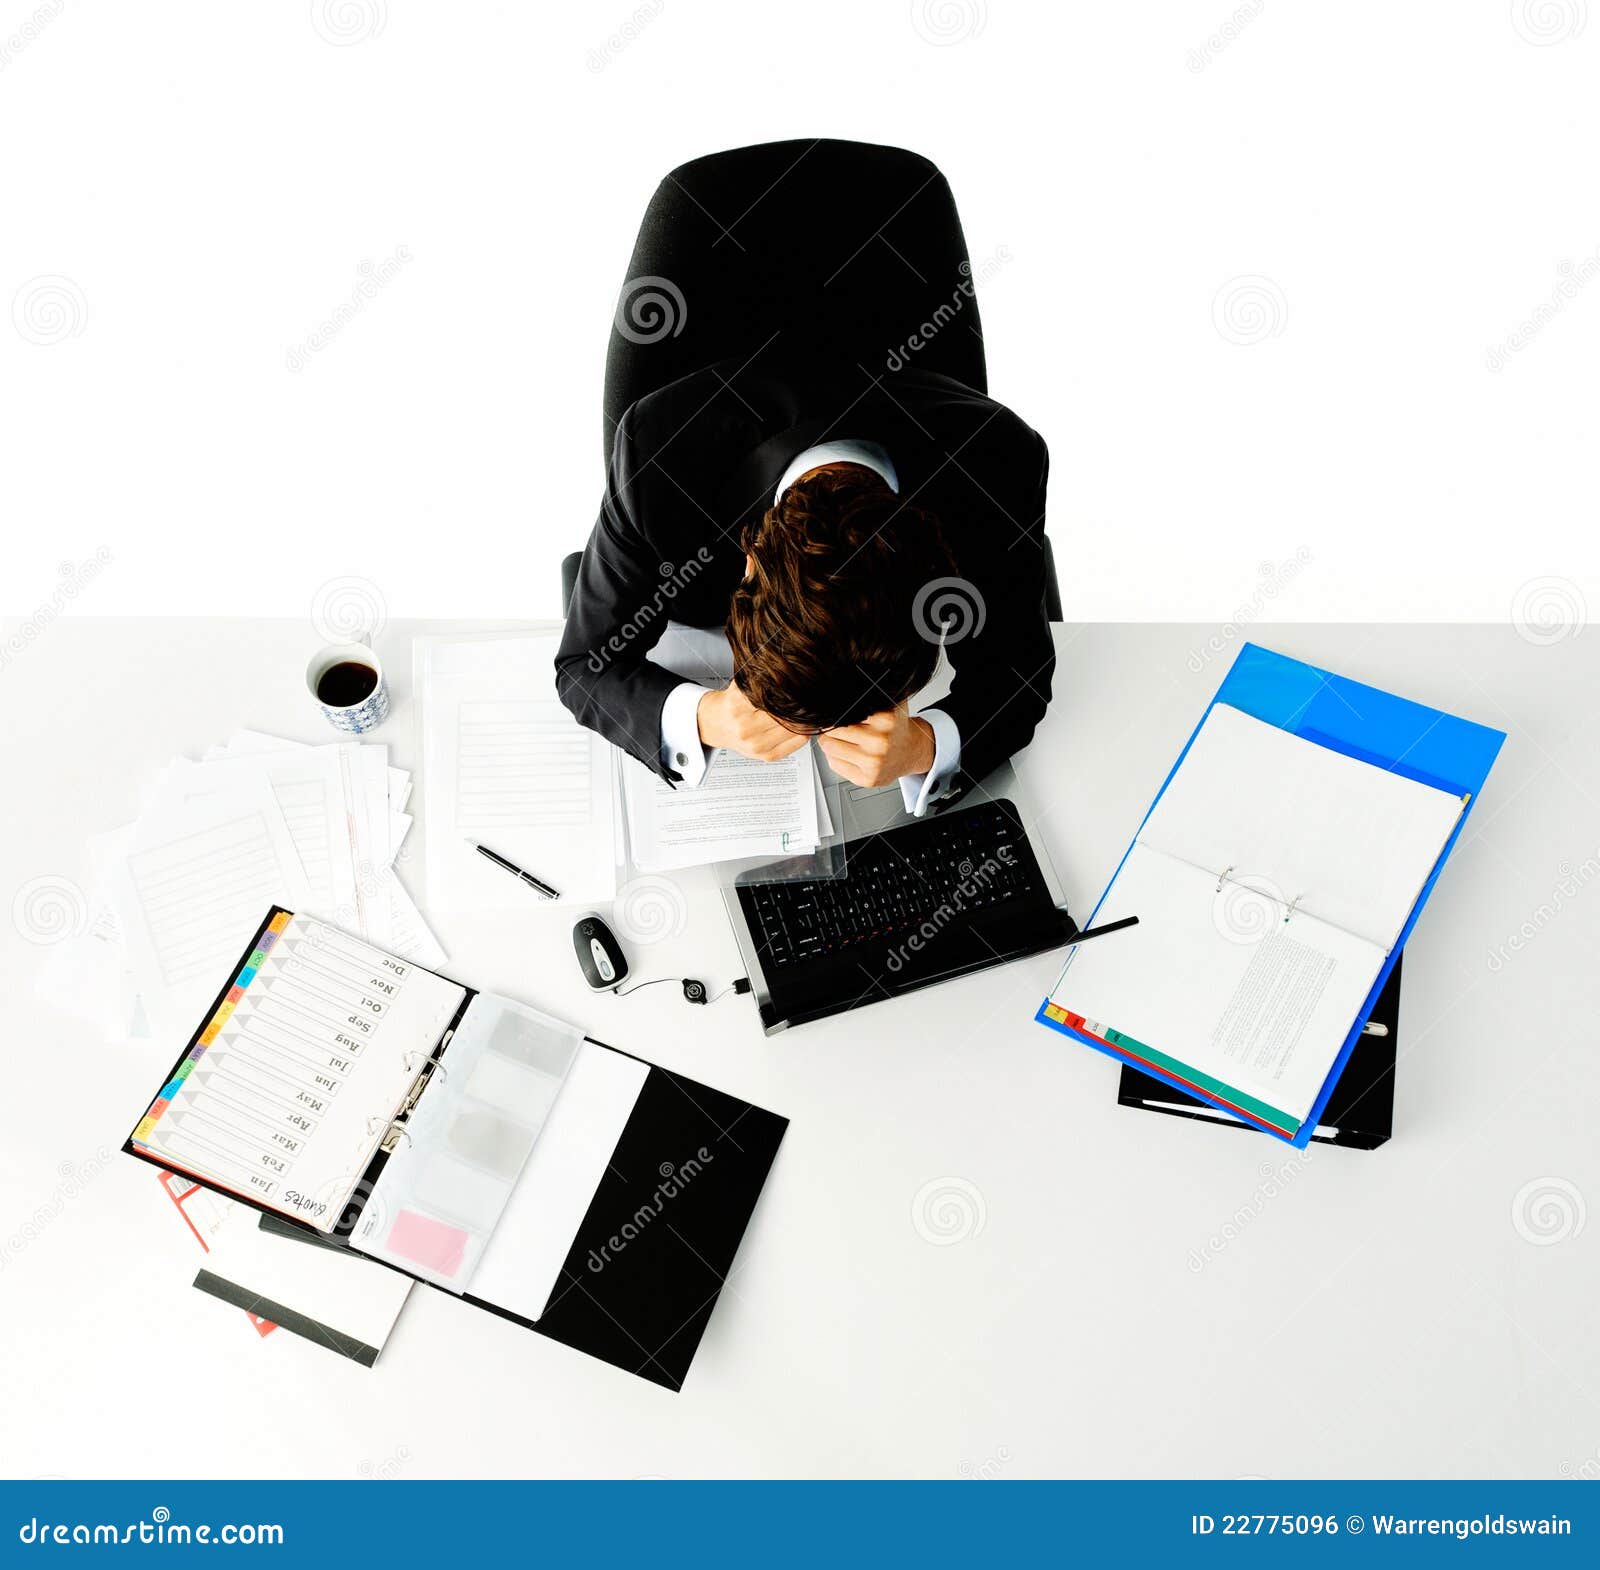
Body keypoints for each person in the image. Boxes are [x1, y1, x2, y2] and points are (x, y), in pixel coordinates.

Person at [555, 357, 1053, 814]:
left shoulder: (1002, 463)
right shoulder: (657, 451)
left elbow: (1020, 675)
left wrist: (923, 745)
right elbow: (584, 666)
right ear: (749, 563)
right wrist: (711, 717)